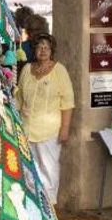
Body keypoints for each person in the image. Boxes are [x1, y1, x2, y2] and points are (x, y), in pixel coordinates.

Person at [14, 34, 74, 205]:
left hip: (49, 130)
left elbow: (68, 102)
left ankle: (49, 205)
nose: (43, 50)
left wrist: (65, 128)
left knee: (48, 168)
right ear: (34, 50)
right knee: (29, 168)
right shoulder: (26, 69)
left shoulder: (59, 71)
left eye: (46, 47)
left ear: (52, 51)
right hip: (27, 128)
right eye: (39, 47)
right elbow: (19, 100)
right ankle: (34, 204)